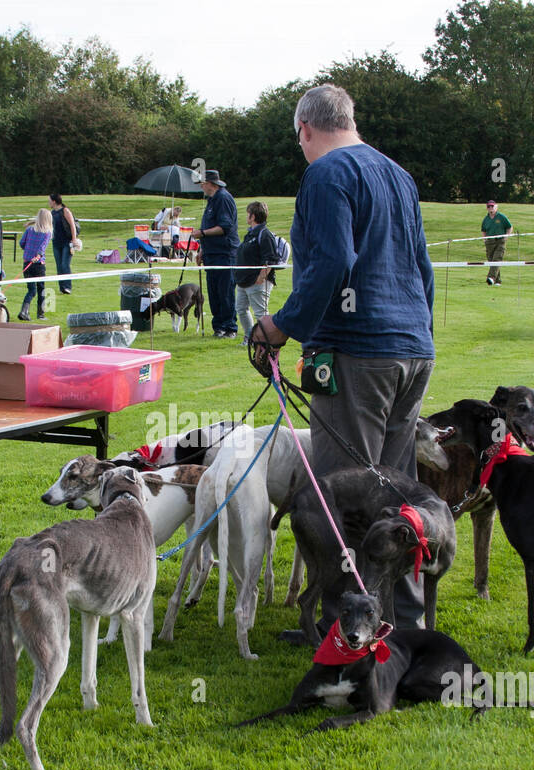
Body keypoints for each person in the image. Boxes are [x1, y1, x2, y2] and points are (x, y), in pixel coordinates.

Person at [253, 84, 436, 627]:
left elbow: (331, 261)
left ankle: (346, 627)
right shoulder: (398, 174)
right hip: (412, 352)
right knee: (395, 493)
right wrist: (416, 333)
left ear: (305, 130)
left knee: (343, 499)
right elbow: (422, 270)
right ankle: (402, 621)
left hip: (358, 353)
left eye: (299, 141)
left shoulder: (326, 173)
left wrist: (281, 326)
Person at [196, 169, 240, 338]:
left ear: (210, 184)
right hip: (211, 253)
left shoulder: (223, 198)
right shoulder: (212, 200)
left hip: (225, 253)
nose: (201, 186)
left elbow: (225, 227)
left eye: (203, 183)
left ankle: (230, 327)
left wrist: (203, 233)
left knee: (225, 291)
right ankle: (218, 326)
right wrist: (202, 249)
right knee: (214, 291)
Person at [234, 201, 279, 345]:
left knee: (260, 313)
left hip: (257, 282)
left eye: (248, 214)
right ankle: (250, 337)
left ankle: (265, 341)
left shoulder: (264, 234)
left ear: (252, 216)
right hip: (243, 281)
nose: (246, 217)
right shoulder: (250, 233)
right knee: (241, 309)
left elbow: (271, 259)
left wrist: (261, 276)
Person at [18, 209, 53, 322]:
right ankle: (40, 314)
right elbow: (42, 247)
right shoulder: (47, 233)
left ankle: (24, 311)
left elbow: (21, 243)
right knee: (41, 289)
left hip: (26, 263)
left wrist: (28, 251)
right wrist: (38, 255)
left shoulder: (29, 230)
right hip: (38, 264)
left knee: (31, 290)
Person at [48, 194, 77, 293]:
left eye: (50, 200)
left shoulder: (65, 211)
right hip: (56, 243)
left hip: (67, 242)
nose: (49, 203)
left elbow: (72, 226)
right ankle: (62, 288)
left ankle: (67, 286)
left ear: (54, 201)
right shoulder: (52, 213)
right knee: (59, 266)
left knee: (65, 264)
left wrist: (74, 240)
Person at [481, 200, 511, 285]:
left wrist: (506, 236)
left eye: (492, 206)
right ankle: (497, 281)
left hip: (500, 241)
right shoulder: (486, 219)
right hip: (490, 242)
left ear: (496, 207)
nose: (490, 208)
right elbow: (483, 230)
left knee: (497, 259)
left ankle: (491, 277)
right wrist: (485, 239)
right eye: (489, 206)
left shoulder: (501, 217)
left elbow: (509, 227)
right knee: (491, 260)